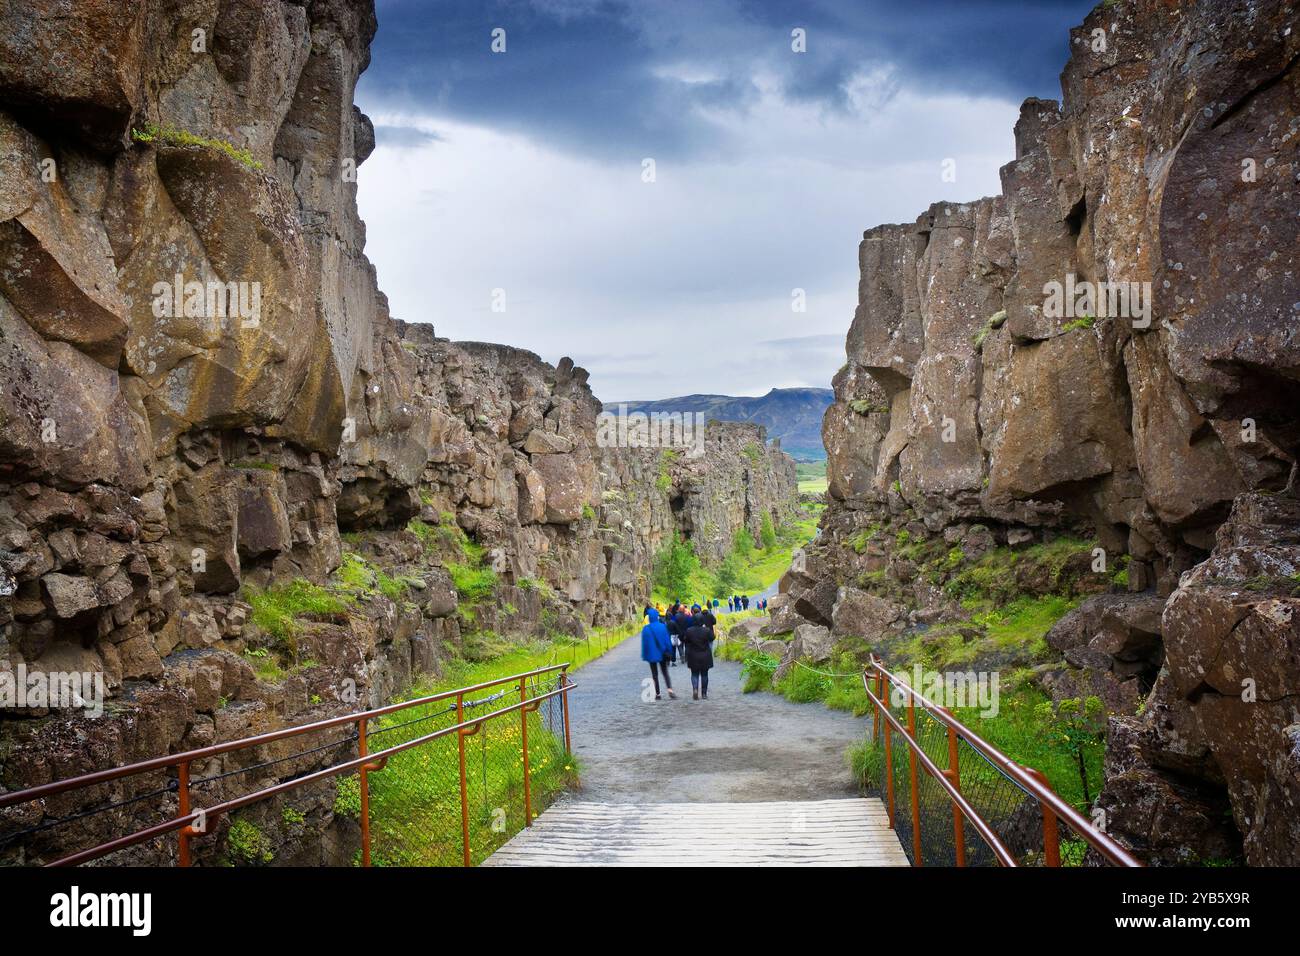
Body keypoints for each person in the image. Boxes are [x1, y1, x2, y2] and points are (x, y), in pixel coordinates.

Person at [640, 609, 676, 699]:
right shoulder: (662, 626)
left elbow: (645, 644)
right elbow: (667, 641)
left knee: (654, 674)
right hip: (662, 653)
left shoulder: (646, 629)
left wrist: (645, 655)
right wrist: (670, 651)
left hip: (652, 655)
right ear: (657, 617)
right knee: (665, 672)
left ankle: (657, 693)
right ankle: (670, 689)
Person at [682, 614, 716, 700]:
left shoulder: (689, 630)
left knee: (694, 674)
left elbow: (685, 640)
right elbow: (712, 637)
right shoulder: (706, 630)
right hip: (705, 655)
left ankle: (695, 689)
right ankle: (704, 693)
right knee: (704, 674)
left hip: (693, 655)